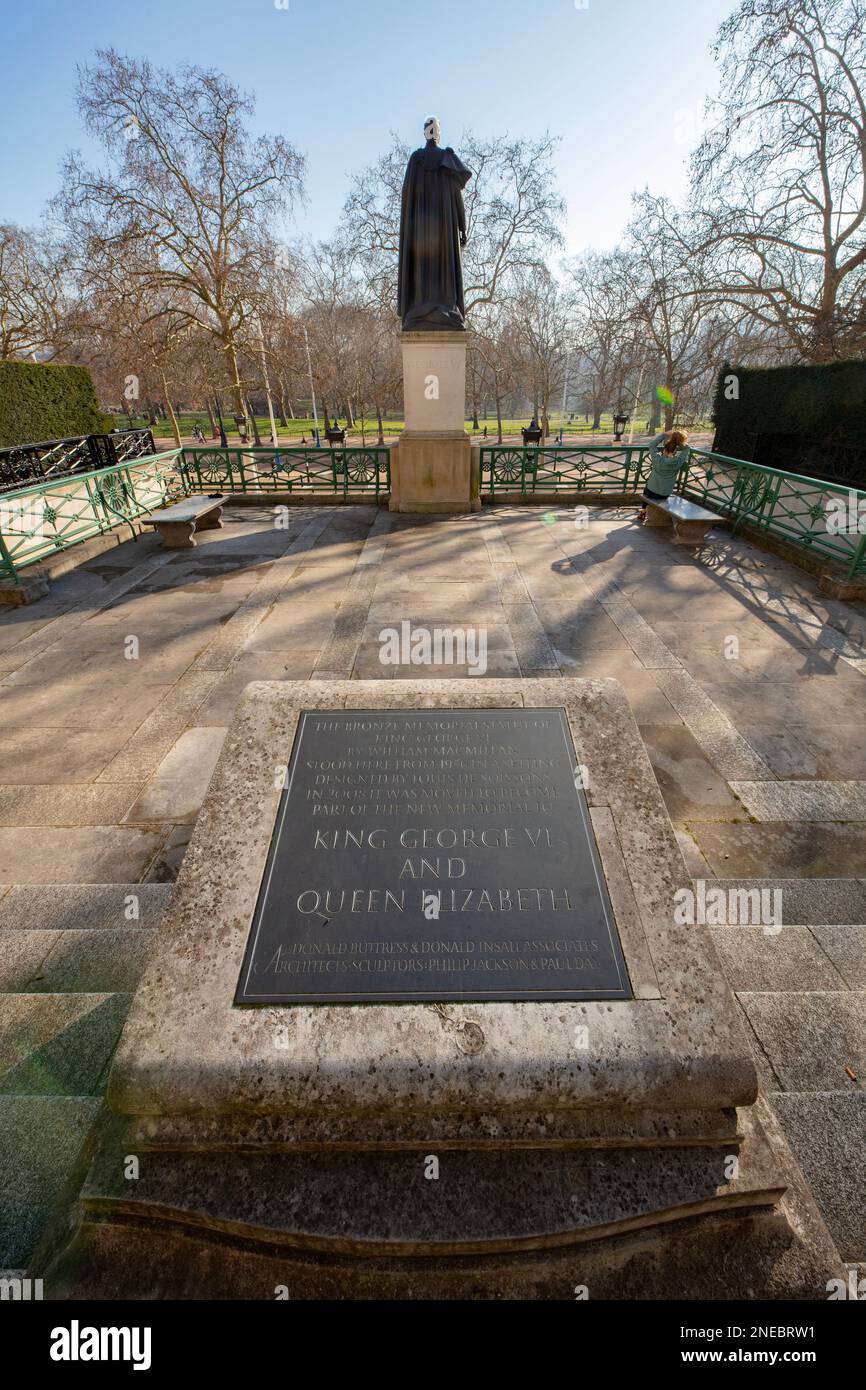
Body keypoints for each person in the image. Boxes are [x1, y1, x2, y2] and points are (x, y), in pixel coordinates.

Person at [638, 429, 690, 522]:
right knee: (652, 487)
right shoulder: (678, 462)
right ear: (675, 451)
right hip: (665, 493)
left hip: (651, 491)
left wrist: (664, 435)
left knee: (647, 487)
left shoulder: (657, 459)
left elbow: (652, 445)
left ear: (665, 450)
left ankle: (643, 511)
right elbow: (687, 449)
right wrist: (678, 440)